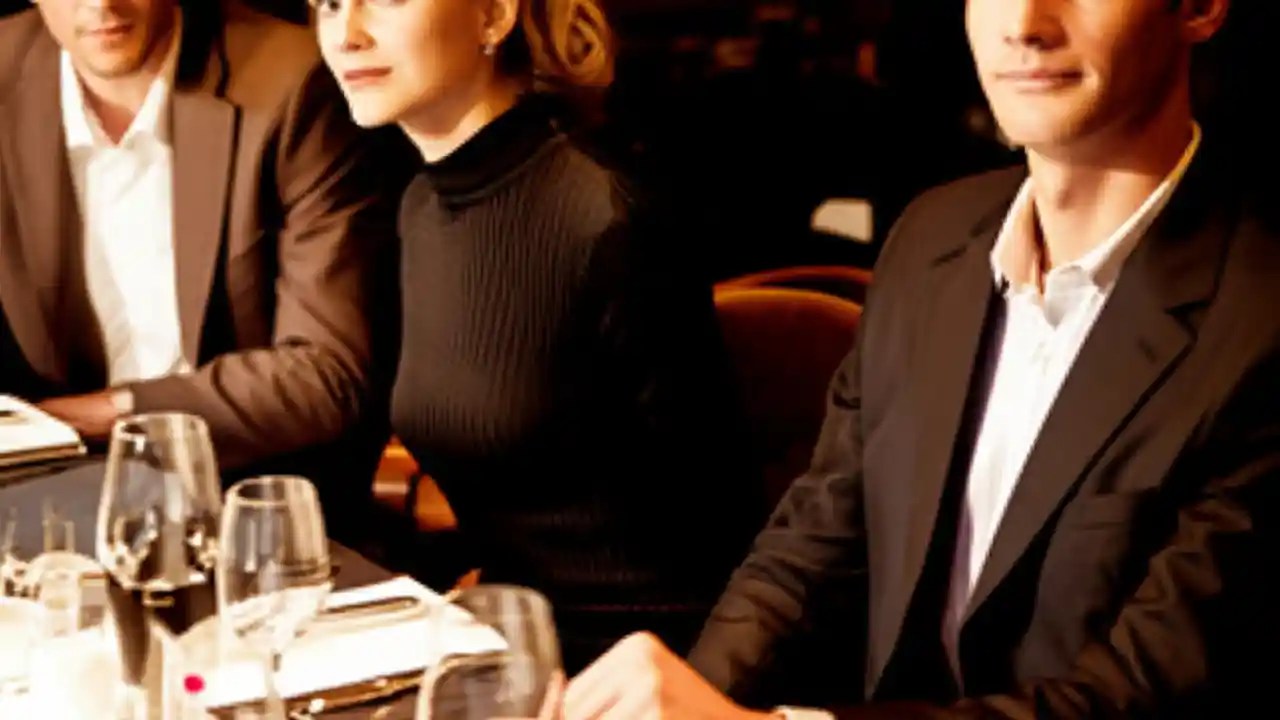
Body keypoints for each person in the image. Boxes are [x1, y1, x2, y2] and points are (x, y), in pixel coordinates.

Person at [561, 0, 1280, 717]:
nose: (1024, 22)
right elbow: (810, 548)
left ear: (1201, 7)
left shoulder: (1260, 326)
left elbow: (1141, 693)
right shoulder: (930, 235)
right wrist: (697, 695)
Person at [313, 0, 759, 673]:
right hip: (499, 644)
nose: (347, 35)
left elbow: (721, 532)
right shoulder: (420, 206)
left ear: (493, 16)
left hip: (639, 671)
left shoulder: (604, 217)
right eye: (327, 4)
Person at [0, 0, 403, 541]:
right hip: (43, 511)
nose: (101, 3)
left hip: (256, 516)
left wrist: (85, 420)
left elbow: (326, 373)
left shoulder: (293, 84)